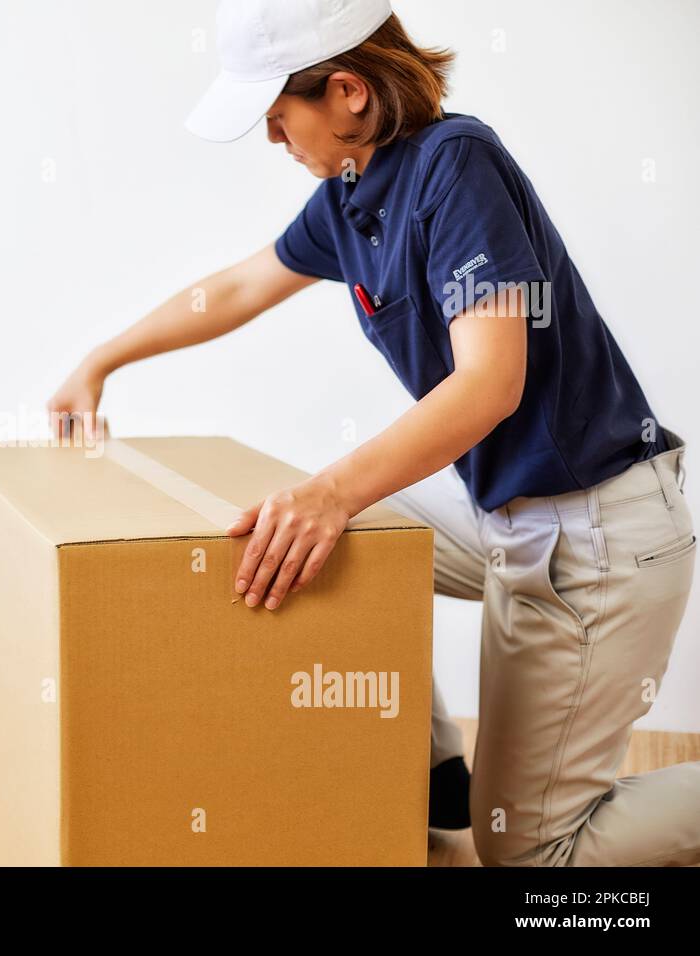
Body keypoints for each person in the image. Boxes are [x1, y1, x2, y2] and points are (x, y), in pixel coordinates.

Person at [47, 0, 698, 866]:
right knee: (304, 536)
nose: (275, 144)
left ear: (348, 91)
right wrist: (101, 359)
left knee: (532, 858)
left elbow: (489, 384)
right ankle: (432, 769)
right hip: (505, 509)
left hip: (597, 533)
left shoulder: (456, 168)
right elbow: (238, 288)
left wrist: (334, 488)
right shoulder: (351, 195)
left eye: (280, 121)